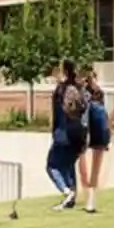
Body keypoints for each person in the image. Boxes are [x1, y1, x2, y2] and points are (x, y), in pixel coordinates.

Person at [46, 60, 88, 211]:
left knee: (52, 166)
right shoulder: (78, 89)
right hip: (79, 133)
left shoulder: (62, 90)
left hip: (64, 133)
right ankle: (72, 198)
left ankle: (67, 191)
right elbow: (83, 107)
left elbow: (59, 111)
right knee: (69, 165)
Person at [79, 68, 111, 214]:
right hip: (100, 133)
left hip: (84, 132)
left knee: (82, 167)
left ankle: (86, 197)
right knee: (95, 170)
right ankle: (91, 200)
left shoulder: (80, 94)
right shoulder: (99, 93)